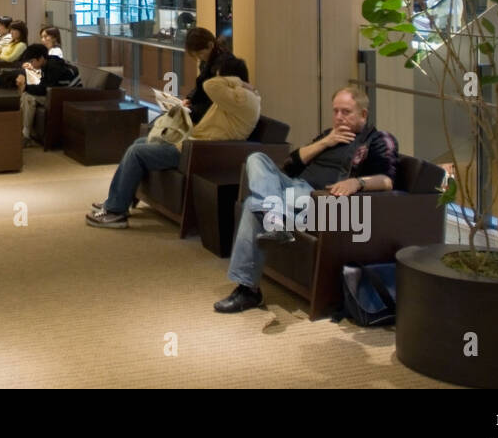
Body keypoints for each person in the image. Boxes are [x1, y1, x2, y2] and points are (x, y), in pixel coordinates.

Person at [214, 85, 399, 313]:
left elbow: (388, 180)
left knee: (253, 205)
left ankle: (248, 290)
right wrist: (325, 142)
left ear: (363, 114)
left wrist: (358, 182)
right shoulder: (328, 135)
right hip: (293, 188)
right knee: (257, 159)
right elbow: (290, 165)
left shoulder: (378, 140)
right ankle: (274, 213)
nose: (339, 117)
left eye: (346, 112)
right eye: (335, 111)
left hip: (318, 199)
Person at [87, 75, 260, 227]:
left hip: (195, 152)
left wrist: (236, 81)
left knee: (136, 152)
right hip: (192, 145)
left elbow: (211, 85)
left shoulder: (242, 99)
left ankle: (116, 211)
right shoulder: (239, 101)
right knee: (141, 142)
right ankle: (116, 199)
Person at [180, 27, 249, 126]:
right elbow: (202, 86)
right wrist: (190, 99)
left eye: (200, 53)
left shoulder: (226, 65)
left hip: (226, 117)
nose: (199, 58)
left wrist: (192, 110)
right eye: (196, 55)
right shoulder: (208, 62)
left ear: (210, 45)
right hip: (212, 110)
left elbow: (218, 100)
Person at [15, 43, 79, 146]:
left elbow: (45, 89)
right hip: (56, 94)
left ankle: (26, 135)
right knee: (26, 96)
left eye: (32, 61)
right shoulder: (48, 64)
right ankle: (26, 133)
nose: (31, 64)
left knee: (28, 97)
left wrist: (25, 87)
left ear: (41, 58)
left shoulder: (54, 67)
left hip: (67, 97)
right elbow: (44, 87)